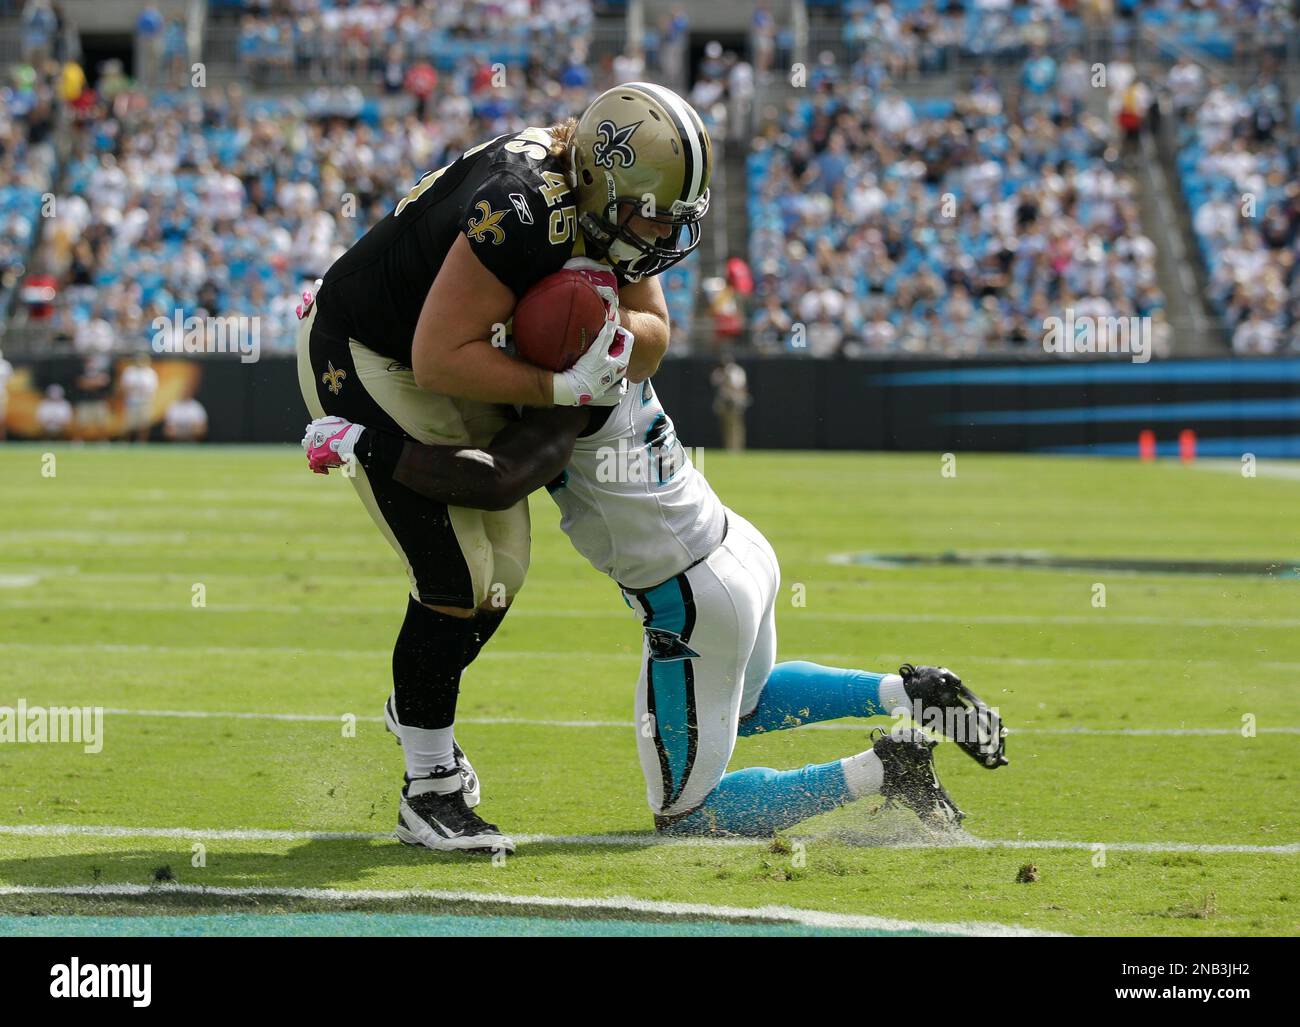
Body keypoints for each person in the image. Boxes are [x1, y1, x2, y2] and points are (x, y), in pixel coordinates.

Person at [300, 281, 1006, 840]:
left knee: (687, 814)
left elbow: (493, 476)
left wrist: (367, 441)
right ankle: (910, 693)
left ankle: (883, 769)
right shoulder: (618, 342)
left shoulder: (566, 406)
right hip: (738, 547)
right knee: (746, 702)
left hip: (693, 598)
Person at [296, 83, 712, 853]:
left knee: (502, 573)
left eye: (671, 215)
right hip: (370, 352)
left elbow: (656, 327)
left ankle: (418, 700)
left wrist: (610, 328)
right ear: (598, 181)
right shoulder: (526, 209)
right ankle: (430, 787)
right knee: (455, 574)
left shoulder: (599, 204)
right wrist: (561, 384)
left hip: (455, 354)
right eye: (648, 211)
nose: (658, 232)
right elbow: (435, 356)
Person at [120, 354, 158, 443]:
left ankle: (142, 442)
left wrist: (139, 389)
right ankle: (126, 442)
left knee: (144, 424)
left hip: (145, 402)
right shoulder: (129, 371)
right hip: (131, 402)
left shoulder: (150, 373)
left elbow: (152, 389)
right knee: (129, 424)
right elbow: (124, 387)